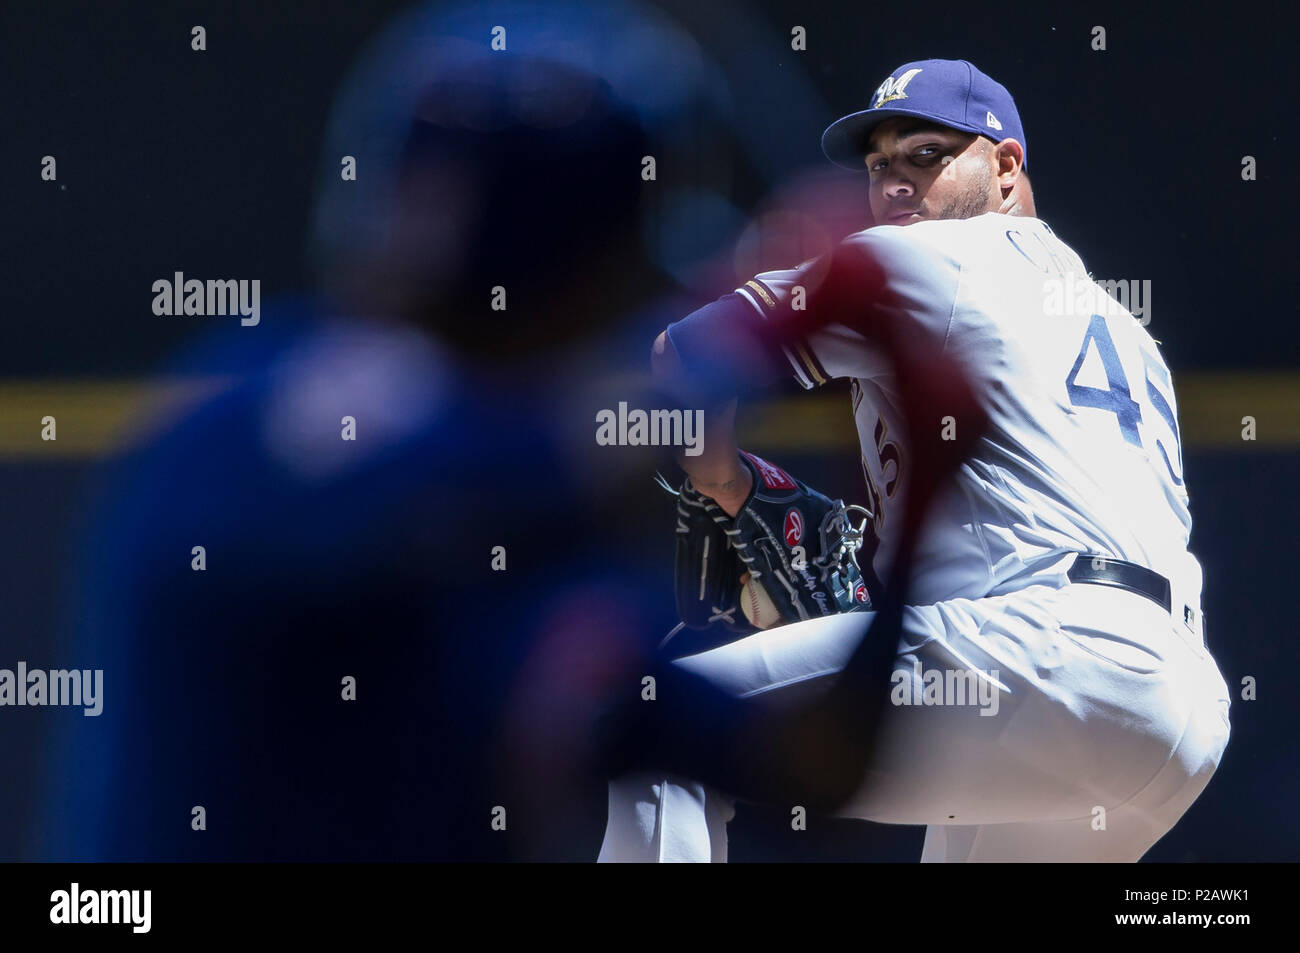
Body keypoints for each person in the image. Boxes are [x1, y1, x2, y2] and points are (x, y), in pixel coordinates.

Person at [596, 59, 1232, 862]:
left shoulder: (939, 256)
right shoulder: (1128, 332)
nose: (896, 184)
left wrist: (726, 481)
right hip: (1175, 707)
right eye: (878, 167)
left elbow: (680, 352)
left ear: (1004, 168)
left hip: (1043, 647)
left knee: (660, 727)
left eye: (926, 155)